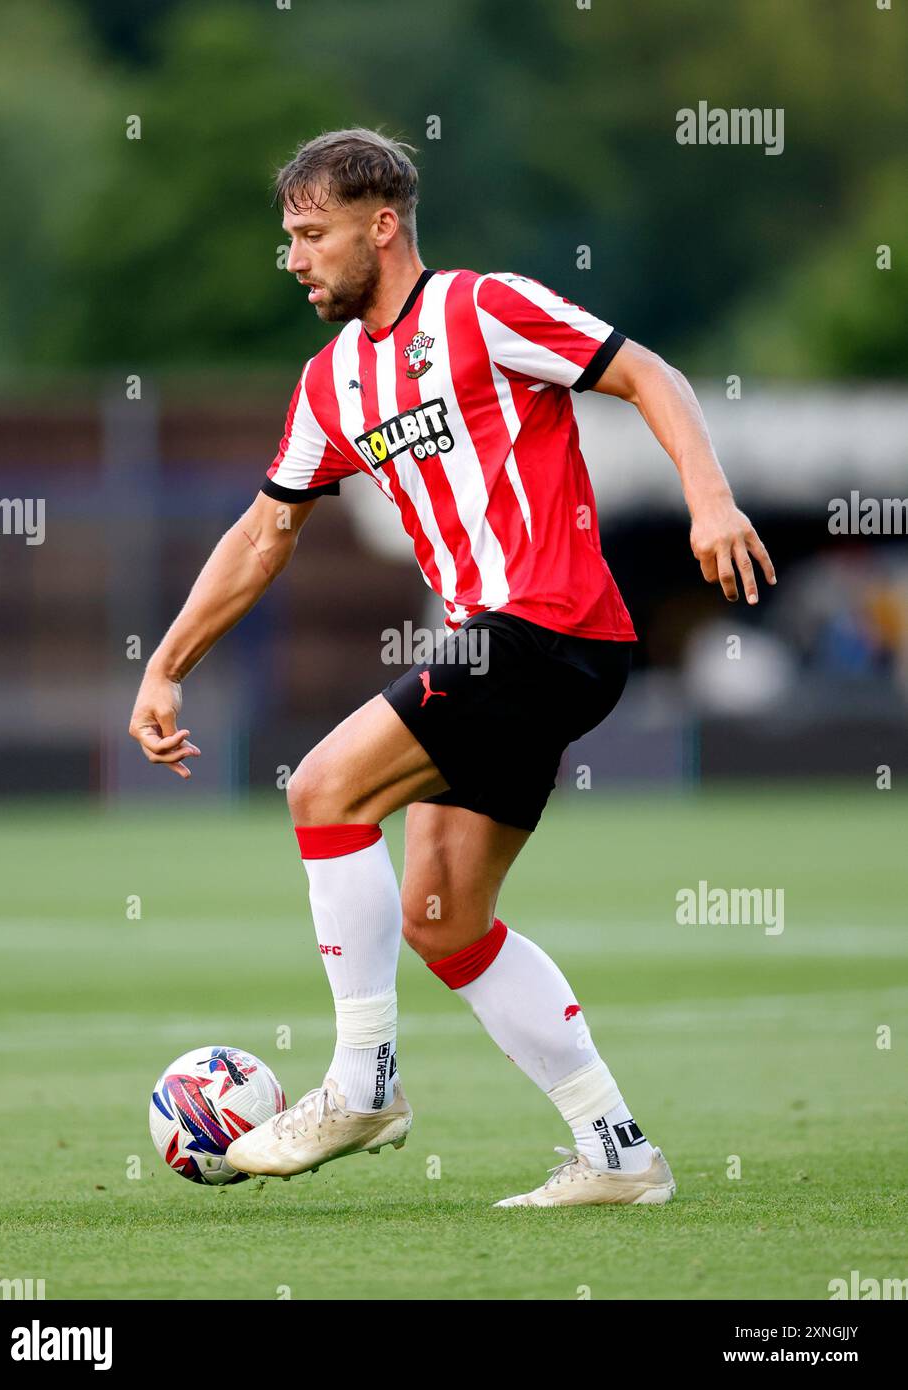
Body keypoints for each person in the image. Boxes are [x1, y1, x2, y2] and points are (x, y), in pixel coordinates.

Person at [129, 128, 775, 1207]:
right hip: (503, 647)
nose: (292, 258)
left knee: (324, 786)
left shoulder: (482, 308)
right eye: (286, 236)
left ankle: (362, 1080)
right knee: (441, 916)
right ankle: (615, 1152)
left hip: (547, 625)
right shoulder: (331, 381)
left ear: (380, 227)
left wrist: (708, 498)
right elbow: (261, 535)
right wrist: (167, 665)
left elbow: (645, 373)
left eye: (310, 234)